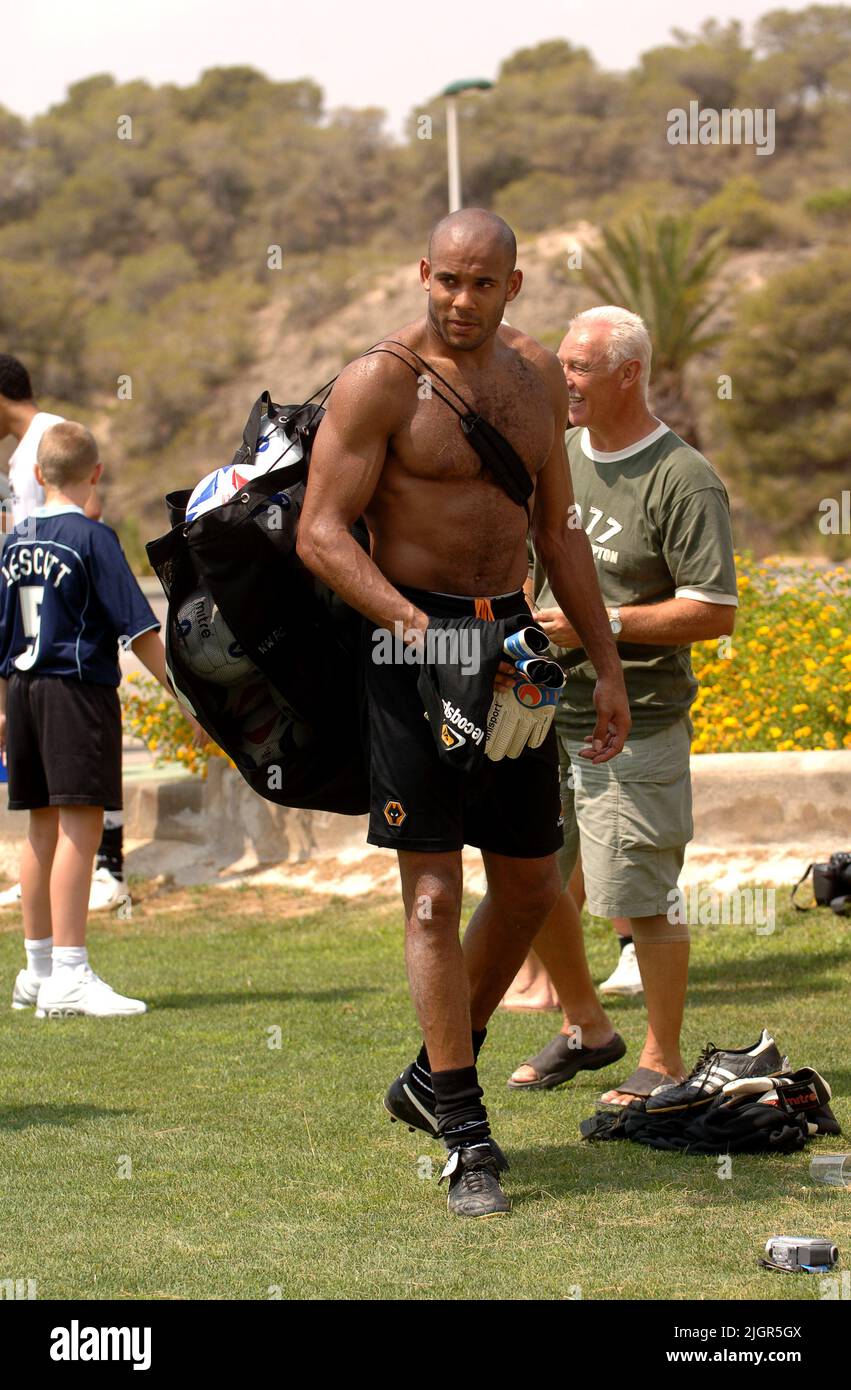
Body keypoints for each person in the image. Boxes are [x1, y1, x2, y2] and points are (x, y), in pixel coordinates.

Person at [297, 209, 630, 1216]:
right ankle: (465, 1130)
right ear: (421, 274)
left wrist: (606, 663)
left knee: (531, 885)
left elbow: (560, 531)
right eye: (444, 280)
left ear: (513, 287)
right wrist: (406, 624)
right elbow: (320, 531)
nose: (459, 299)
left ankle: (432, 1073)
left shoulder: (534, 383)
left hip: (511, 641)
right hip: (414, 646)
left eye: (481, 284)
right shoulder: (379, 381)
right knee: (434, 895)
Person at [507, 306, 738, 1104]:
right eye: (560, 363)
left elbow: (712, 610)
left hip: (631, 722)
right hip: (539, 716)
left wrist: (595, 625)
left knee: (640, 895)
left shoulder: (683, 477)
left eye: (577, 367)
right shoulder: (561, 452)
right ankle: (584, 1027)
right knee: (526, 877)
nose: (560, 380)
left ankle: (663, 1059)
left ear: (627, 373)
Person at [0, 421, 202, 1017]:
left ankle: (36, 970)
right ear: (96, 474)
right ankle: (69, 973)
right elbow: (140, 631)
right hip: (75, 692)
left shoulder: (13, 542)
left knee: (39, 827)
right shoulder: (93, 538)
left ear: (38, 476)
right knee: (80, 828)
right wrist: (187, 698)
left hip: (23, 691)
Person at [0, 353, 125, 912]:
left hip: (59, 649)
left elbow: (86, 513)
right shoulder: (20, 456)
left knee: (66, 805)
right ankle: (56, 951)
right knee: (60, 811)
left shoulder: (48, 435)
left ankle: (108, 872)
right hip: (47, 660)